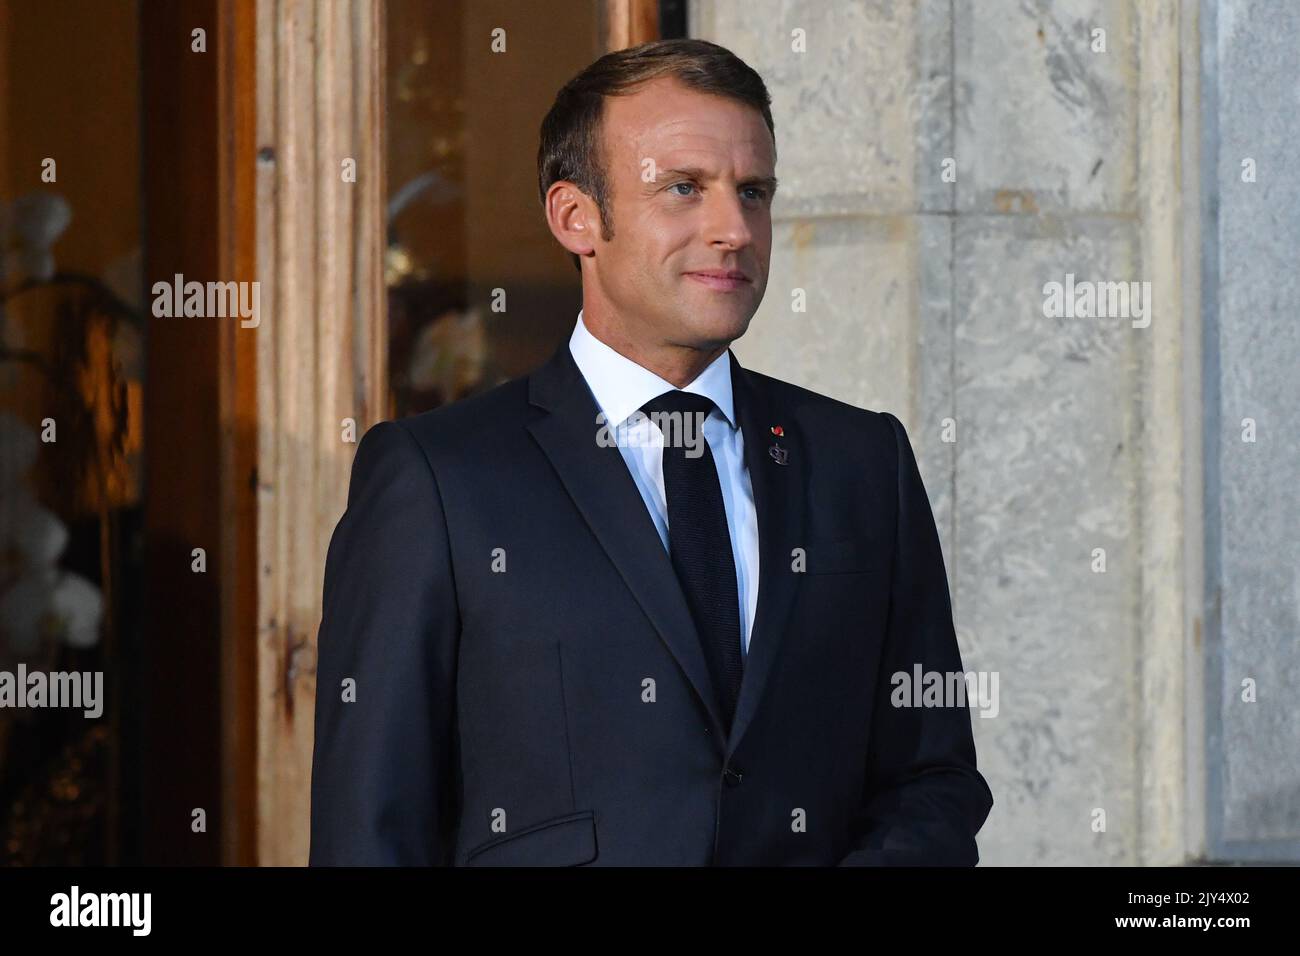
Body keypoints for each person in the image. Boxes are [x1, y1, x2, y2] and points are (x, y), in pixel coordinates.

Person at [309, 38, 992, 866]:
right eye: (683, 189)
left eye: (754, 192)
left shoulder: (861, 462)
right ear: (576, 217)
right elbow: (371, 829)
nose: (734, 229)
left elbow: (933, 774)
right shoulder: (438, 479)